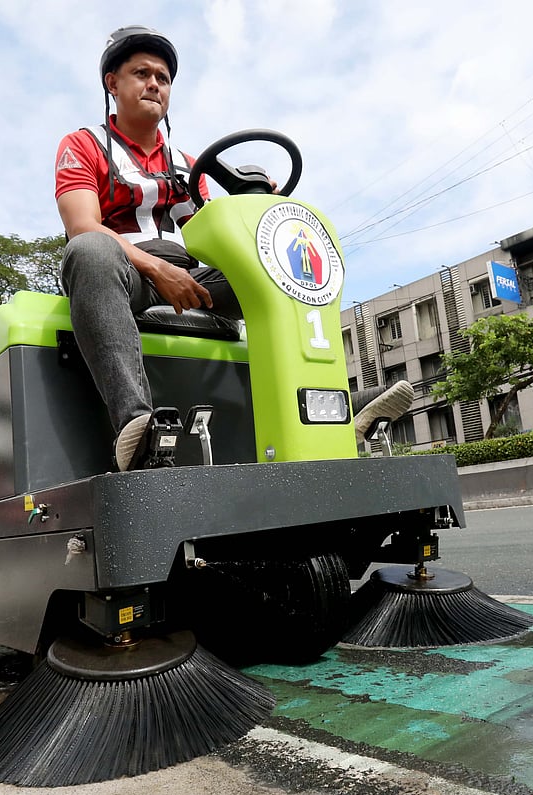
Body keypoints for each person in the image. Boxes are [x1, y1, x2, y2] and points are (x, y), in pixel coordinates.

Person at [56, 25, 412, 470]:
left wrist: (260, 210)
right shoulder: (83, 144)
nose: (154, 84)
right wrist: (157, 270)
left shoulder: (188, 166)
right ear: (113, 83)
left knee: (283, 260)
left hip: (190, 275)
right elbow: (82, 225)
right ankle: (139, 427)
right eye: (141, 73)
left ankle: (335, 407)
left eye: (162, 78)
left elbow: (216, 239)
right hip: (122, 273)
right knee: (88, 250)